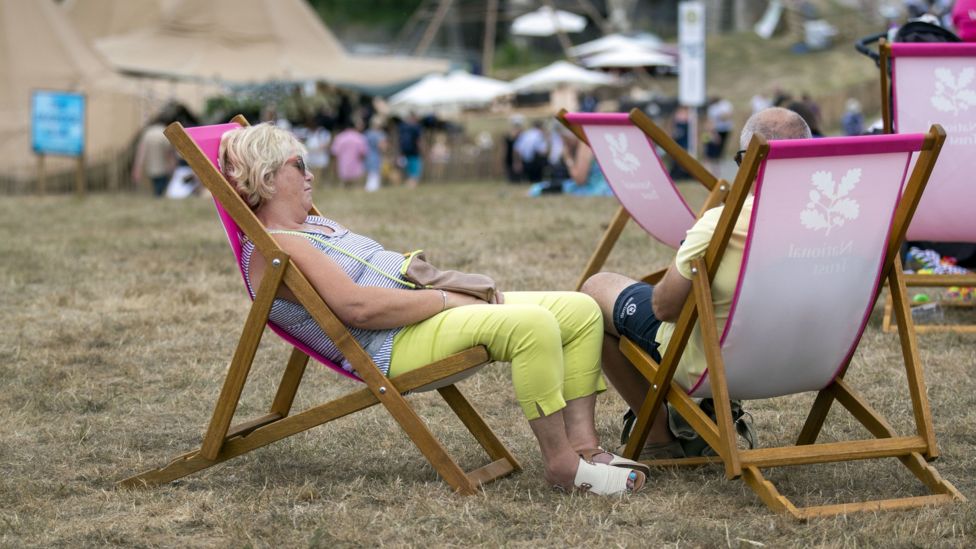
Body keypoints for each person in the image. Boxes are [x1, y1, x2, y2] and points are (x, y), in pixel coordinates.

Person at [217, 123, 647, 495]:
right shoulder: (277, 247)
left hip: (419, 314)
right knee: (532, 324)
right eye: (299, 165)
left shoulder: (309, 224)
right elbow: (358, 308)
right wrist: (447, 298)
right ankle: (562, 464)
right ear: (268, 177)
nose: (311, 174)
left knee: (581, 310)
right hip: (393, 342)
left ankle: (585, 447)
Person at [579, 108, 812, 458]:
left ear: (743, 161)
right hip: (807, 361)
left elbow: (665, 308)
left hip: (716, 364)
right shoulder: (846, 224)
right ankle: (707, 415)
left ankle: (658, 438)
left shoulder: (723, 223)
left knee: (595, 290)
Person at [528, 126, 612, 197]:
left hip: (596, 188)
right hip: (603, 186)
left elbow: (580, 180)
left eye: (565, 140)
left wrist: (568, 158)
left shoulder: (584, 144)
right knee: (539, 187)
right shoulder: (589, 140)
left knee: (536, 189)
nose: (565, 144)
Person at [131, 116, 177, 197]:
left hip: (151, 168)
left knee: (156, 187)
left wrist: (137, 169)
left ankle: (157, 197)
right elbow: (168, 152)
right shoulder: (164, 132)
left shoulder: (147, 133)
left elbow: (141, 153)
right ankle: (158, 198)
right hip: (163, 168)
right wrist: (172, 165)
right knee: (161, 188)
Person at [330, 120, 368, 189]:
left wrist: (334, 165)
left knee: (344, 185)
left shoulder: (340, 137)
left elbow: (334, 152)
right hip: (356, 166)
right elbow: (363, 153)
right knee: (356, 186)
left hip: (343, 165)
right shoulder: (360, 137)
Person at [398, 113, 424, 188]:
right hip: (414, 150)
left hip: (405, 151)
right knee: (415, 167)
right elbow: (418, 140)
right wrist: (422, 148)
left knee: (409, 167)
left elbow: (400, 139)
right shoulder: (416, 127)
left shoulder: (403, 127)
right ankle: (412, 183)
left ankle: (409, 182)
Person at [364, 117, 388, 192]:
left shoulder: (367, 133)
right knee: (375, 173)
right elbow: (382, 146)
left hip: (367, 155)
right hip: (376, 155)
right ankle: (372, 188)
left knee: (370, 173)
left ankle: (370, 187)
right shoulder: (380, 134)